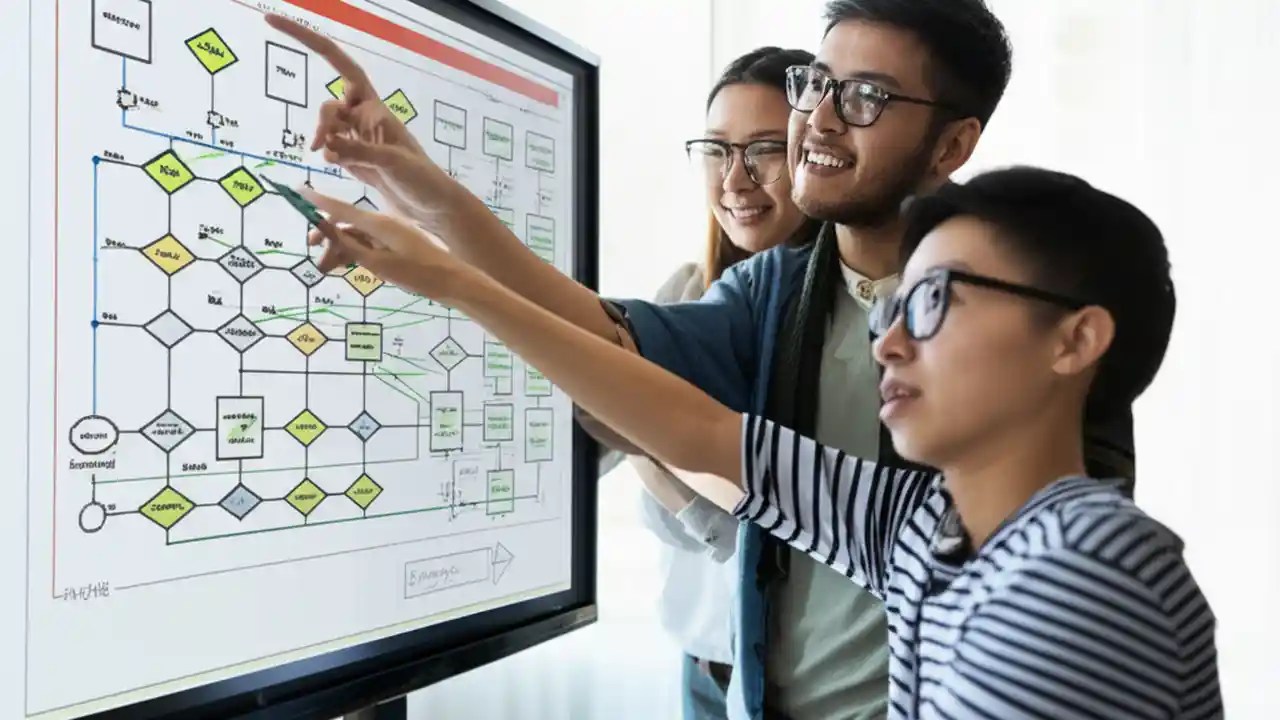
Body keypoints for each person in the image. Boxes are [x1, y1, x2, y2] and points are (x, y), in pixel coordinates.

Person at [264, 2, 1135, 716]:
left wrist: (453, 277)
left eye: (867, 96)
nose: (820, 119)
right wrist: (416, 183)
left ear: (952, 146)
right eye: (817, 84)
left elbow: (717, 441)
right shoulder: (774, 301)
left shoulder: (1024, 344)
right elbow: (645, 378)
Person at [292, 165, 1222, 719]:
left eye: (936, 302)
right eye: (893, 308)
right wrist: (449, 279)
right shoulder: (927, 528)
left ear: (1075, 341)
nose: (889, 342)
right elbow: (698, 429)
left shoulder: (1076, 569)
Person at [586, 45, 821, 720]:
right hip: (700, 668)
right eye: (717, 150)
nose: (735, 179)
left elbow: (737, 530)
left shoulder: (836, 320)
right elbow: (585, 444)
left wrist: (642, 433)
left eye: (765, 149)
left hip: (789, 684)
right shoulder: (687, 291)